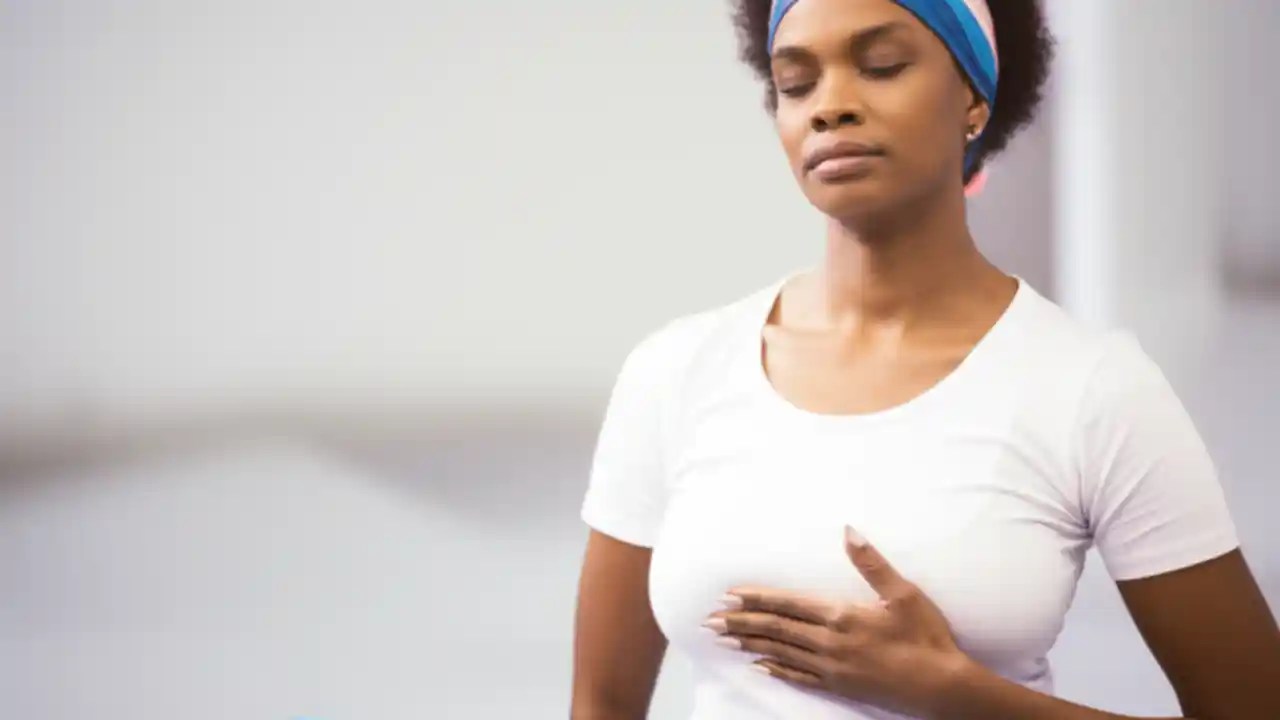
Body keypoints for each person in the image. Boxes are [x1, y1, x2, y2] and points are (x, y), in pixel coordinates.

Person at [570, 1, 1280, 718]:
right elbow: (599, 702)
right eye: (796, 83)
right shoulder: (675, 372)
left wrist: (953, 691)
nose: (831, 107)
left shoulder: (1093, 390)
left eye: (881, 66)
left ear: (973, 97)